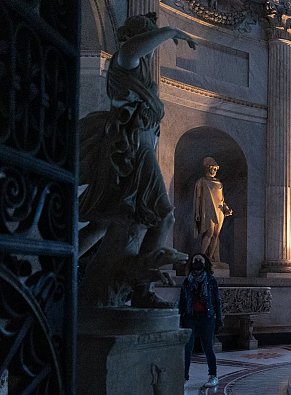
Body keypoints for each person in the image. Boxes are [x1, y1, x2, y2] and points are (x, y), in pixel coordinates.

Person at [78, 12, 196, 307]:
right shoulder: (124, 62)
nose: (150, 46)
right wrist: (169, 31)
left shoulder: (138, 70)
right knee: (162, 215)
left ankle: (62, 263)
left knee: (107, 223)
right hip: (132, 151)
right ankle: (141, 289)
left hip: (136, 150)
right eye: (146, 35)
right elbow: (133, 49)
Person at [179, 253, 223, 388]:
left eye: (200, 260)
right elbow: (182, 300)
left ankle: (213, 375)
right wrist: (181, 317)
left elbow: (216, 301)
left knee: (208, 347)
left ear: (205, 263)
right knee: (187, 348)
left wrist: (219, 319)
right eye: (195, 260)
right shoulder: (187, 281)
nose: (197, 262)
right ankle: (184, 377)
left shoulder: (210, 281)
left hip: (206, 317)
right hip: (191, 317)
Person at [194, 156, 233, 263]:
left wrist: (226, 209)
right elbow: (198, 198)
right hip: (207, 210)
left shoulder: (219, 183)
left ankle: (210, 259)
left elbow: (221, 199)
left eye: (216, 169)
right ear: (208, 168)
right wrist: (197, 212)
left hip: (219, 211)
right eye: (213, 168)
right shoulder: (201, 182)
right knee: (209, 232)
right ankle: (200, 257)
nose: (215, 170)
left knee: (216, 234)